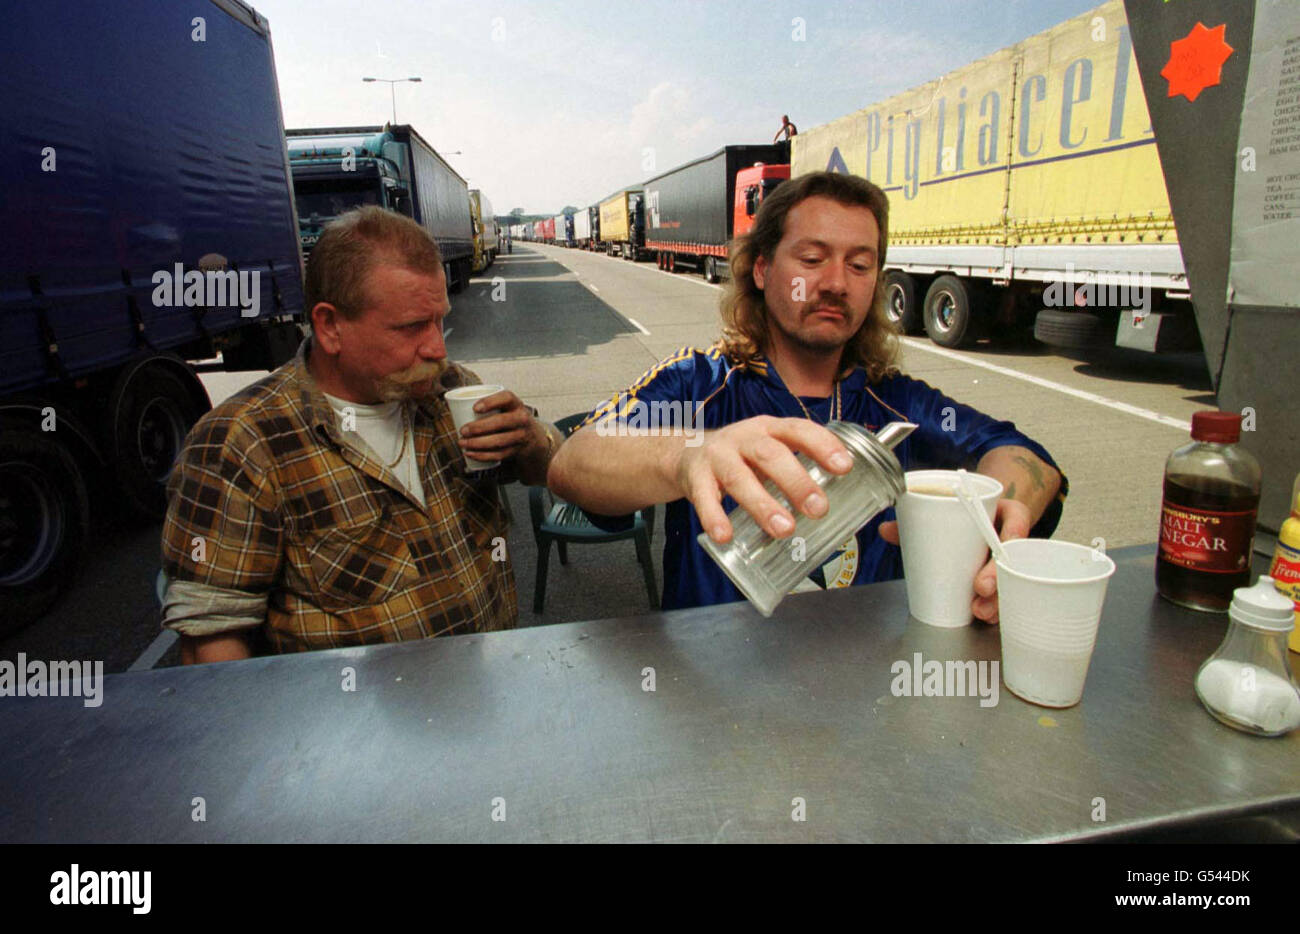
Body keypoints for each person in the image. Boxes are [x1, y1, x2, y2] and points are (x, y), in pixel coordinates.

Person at [548, 171, 1065, 620]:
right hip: (712, 691)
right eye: (813, 258)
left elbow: (1022, 454)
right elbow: (573, 461)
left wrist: (1002, 521)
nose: (836, 283)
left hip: (862, 690)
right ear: (762, 268)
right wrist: (686, 457)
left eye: (860, 266)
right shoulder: (701, 384)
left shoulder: (898, 404)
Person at [160, 206, 560, 663]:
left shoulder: (452, 391)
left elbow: (548, 466)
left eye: (438, 319)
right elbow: (212, 636)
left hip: (490, 692)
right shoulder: (243, 443)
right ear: (330, 326)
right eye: (411, 327)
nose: (438, 348)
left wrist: (531, 437)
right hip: (351, 730)